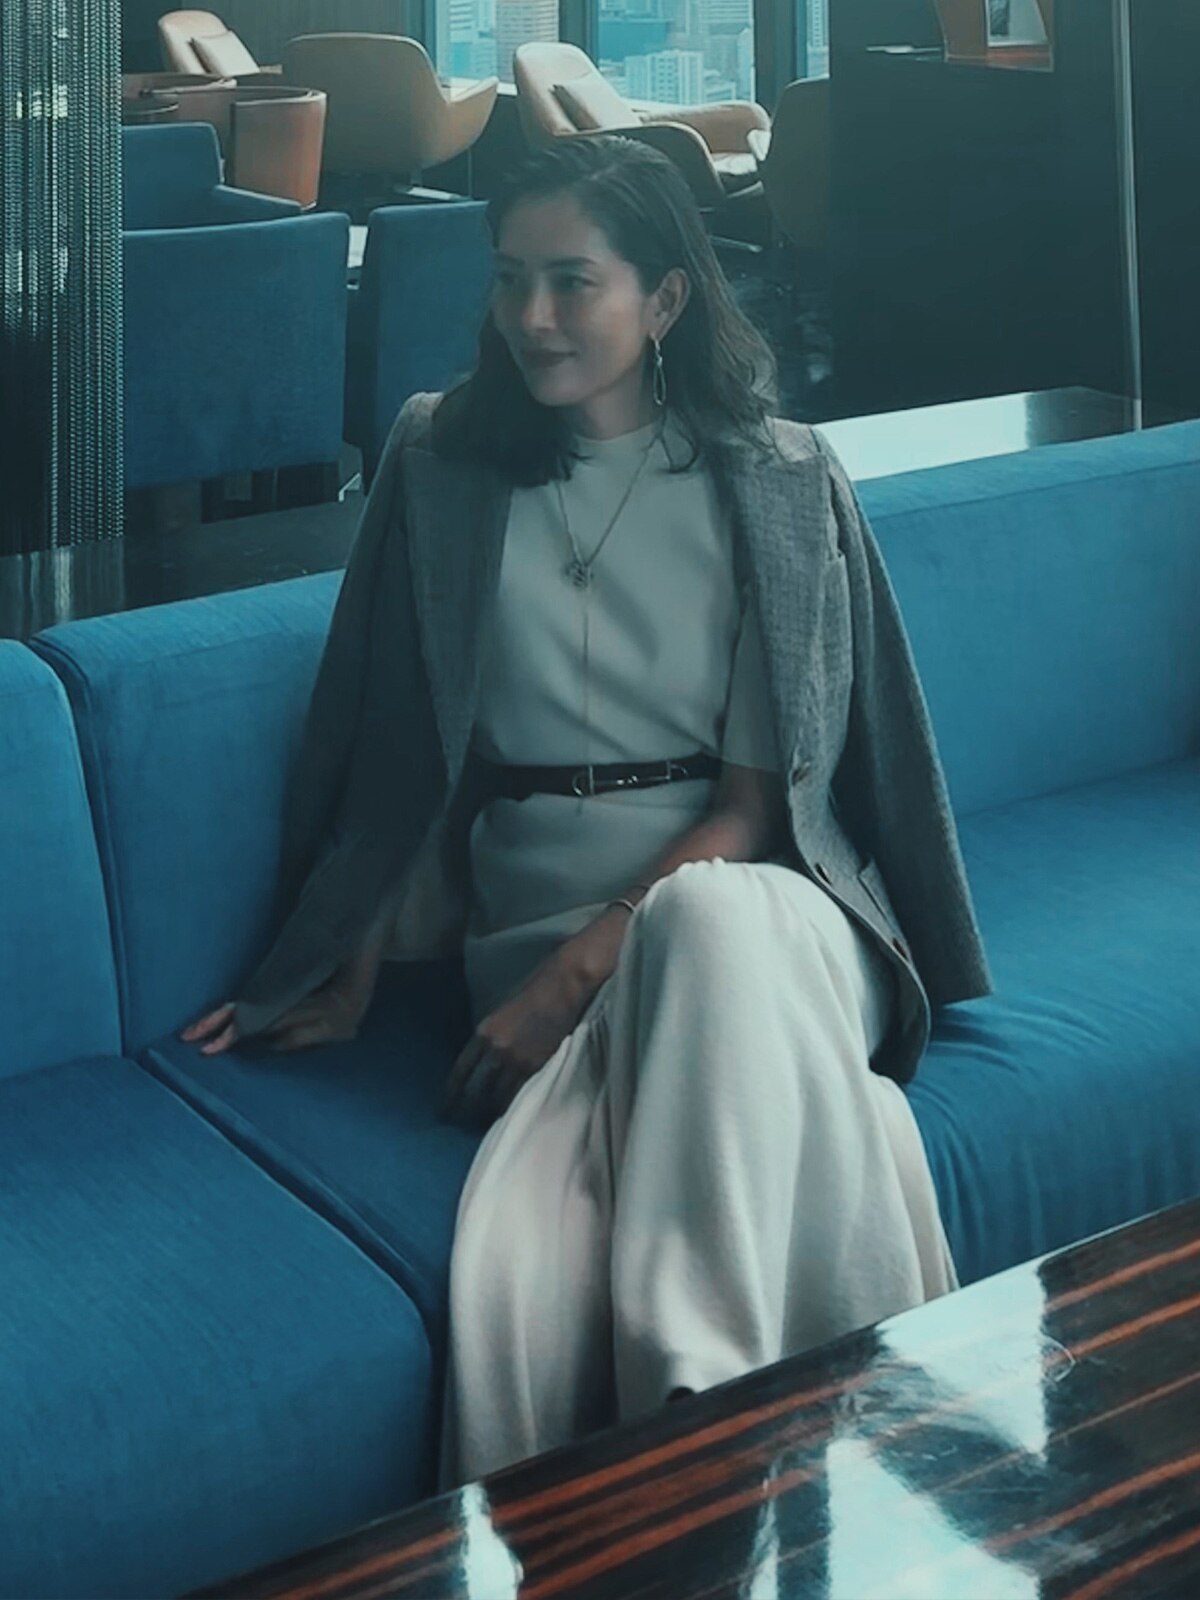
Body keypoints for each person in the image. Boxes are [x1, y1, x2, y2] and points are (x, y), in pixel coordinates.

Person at [183, 135, 992, 1489]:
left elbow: (758, 810)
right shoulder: (440, 459)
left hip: (769, 917)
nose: (533, 316)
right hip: (532, 911)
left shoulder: (775, 476)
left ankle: (705, 1425)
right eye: (510, 279)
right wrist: (342, 961)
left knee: (709, 925)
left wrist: (574, 978)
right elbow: (386, 737)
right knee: (689, 989)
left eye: (573, 281)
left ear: (665, 298)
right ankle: (807, 1456)